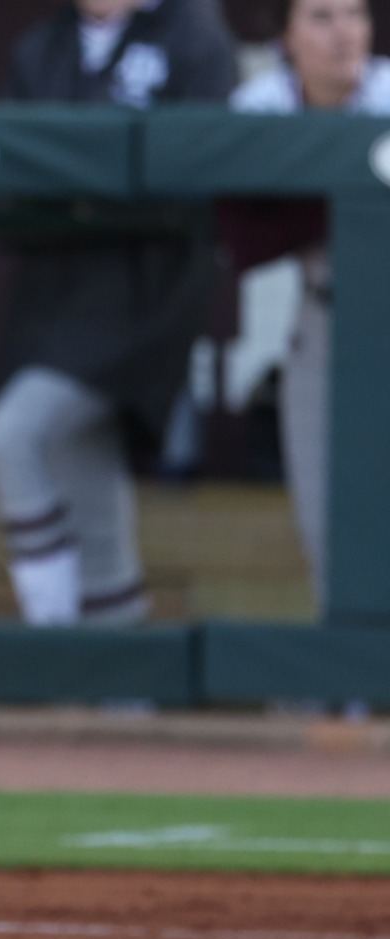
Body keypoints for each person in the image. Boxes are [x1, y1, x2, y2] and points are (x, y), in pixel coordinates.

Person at [0, 0, 236, 625]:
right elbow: (7, 172)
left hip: (145, 295)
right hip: (54, 293)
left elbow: (204, 167)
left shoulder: (192, 32)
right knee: (84, 471)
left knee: (12, 437)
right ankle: (124, 680)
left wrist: (90, 193)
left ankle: (57, 642)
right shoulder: (43, 46)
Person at [224, 0, 390, 610]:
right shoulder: (261, 106)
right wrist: (345, 188)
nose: (344, 32)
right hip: (325, 314)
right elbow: (241, 238)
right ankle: (343, 693)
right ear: (286, 36)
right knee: (323, 519)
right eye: (321, 17)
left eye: (356, 15)